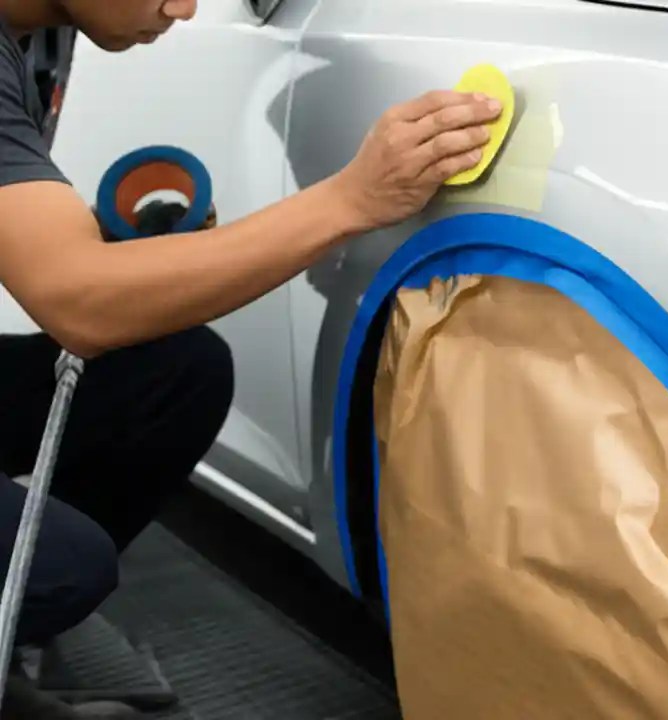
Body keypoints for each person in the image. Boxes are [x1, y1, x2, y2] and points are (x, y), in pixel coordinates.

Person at [0, 0, 503, 716]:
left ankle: (12, 619)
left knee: (178, 373)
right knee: (59, 566)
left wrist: (125, 267)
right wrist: (353, 199)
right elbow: (79, 302)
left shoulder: (40, 33)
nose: (186, 6)